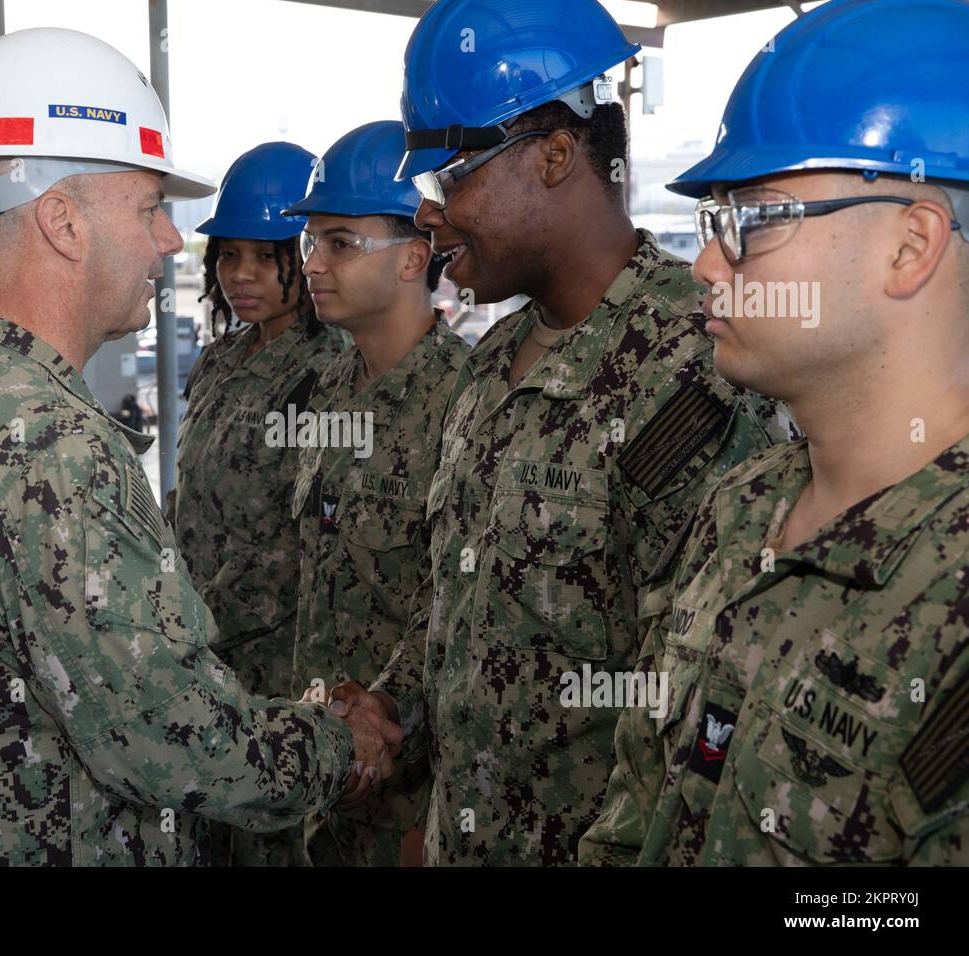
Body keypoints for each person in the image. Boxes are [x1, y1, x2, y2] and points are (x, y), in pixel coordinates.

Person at [0, 27, 399, 867]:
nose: (172, 243)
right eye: (148, 209)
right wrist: (340, 743)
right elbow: (179, 743)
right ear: (63, 222)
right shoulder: (52, 446)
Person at [329, 0, 796, 866]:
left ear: (553, 156)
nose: (427, 215)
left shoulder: (695, 371)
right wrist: (392, 718)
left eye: (449, 178)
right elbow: (472, 618)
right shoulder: (491, 361)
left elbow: (697, 706)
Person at [580, 0, 969, 866]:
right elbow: (638, 811)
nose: (707, 267)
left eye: (749, 221)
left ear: (910, 247)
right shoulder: (743, 503)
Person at [283, 121, 469, 866]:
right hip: (330, 769)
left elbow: (464, 612)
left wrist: (435, 810)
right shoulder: (328, 389)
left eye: (340, 242)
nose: (312, 264)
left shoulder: (467, 400)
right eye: (309, 243)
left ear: (413, 258)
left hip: (415, 787)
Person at [168, 141, 350, 866]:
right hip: (204, 657)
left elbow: (309, 532)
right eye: (226, 254)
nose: (239, 274)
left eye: (262, 255)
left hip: (275, 665)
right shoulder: (220, 360)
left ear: (301, 255)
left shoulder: (332, 367)